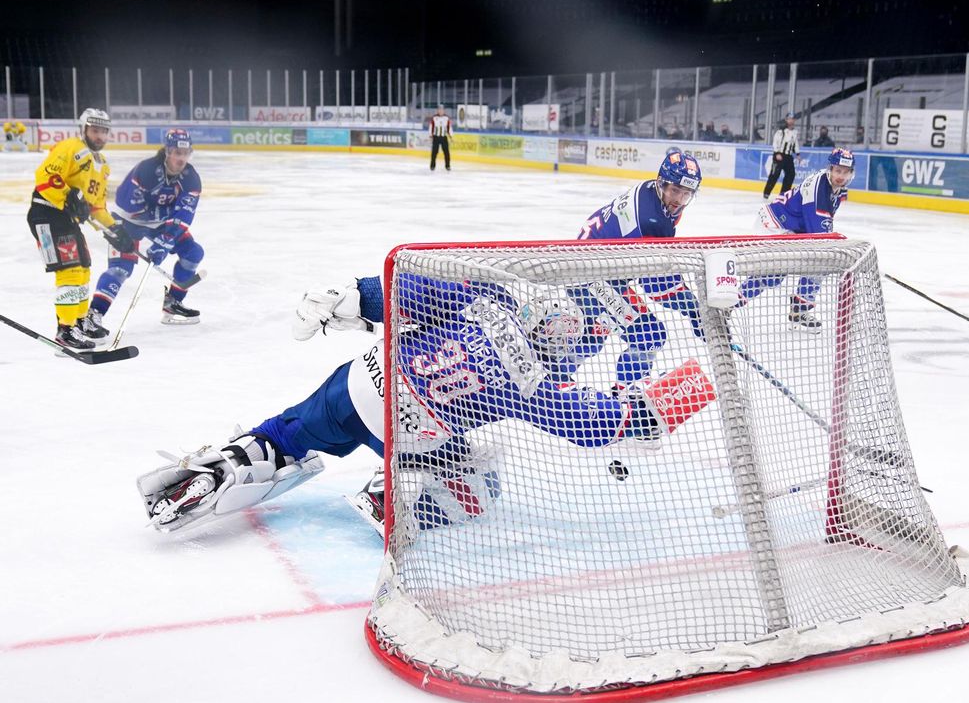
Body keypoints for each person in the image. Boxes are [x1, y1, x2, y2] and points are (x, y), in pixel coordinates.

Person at [136, 274, 715, 534]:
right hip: (406, 431)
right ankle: (396, 496)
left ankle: (236, 461)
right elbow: (586, 421)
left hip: (358, 383)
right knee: (483, 477)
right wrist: (643, 413)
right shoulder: (534, 382)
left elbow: (408, 287)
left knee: (289, 431)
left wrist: (346, 297)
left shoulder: (489, 294)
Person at [574, 147, 706, 390]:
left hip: (595, 272)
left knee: (593, 335)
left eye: (686, 193)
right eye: (675, 190)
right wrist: (695, 310)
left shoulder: (655, 195)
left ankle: (553, 376)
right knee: (649, 335)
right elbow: (656, 284)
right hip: (590, 277)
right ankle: (624, 399)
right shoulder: (651, 219)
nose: (678, 199)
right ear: (661, 183)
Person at [24, 108, 135, 349]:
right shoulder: (71, 147)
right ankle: (65, 330)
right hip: (47, 212)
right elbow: (44, 176)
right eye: (95, 130)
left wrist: (116, 229)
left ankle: (80, 321)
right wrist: (69, 194)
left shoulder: (102, 165)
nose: (99, 136)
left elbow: (95, 207)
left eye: (104, 131)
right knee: (71, 271)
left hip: (66, 219)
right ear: (83, 129)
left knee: (83, 268)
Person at [90, 128, 204, 327]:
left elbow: (185, 213)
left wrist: (166, 239)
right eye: (177, 153)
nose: (181, 159)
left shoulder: (191, 178)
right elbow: (128, 205)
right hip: (126, 223)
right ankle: (93, 315)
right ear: (167, 151)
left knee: (193, 253)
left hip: (158, 225)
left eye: (185, 154)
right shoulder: (147, 170)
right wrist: (163, 220)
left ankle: (173, 302)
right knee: (120, 270)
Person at [739, 147, 856, 332]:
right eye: (838, 170)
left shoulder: (837, 190)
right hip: (774, 223)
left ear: (851, 173)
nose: (841, 175)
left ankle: (799, 310)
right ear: (830, 169)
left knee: (816, 264)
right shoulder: (819, 188)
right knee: (776, 273)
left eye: (846, 172)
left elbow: (820, 230)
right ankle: (732, 302)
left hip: (791, 227)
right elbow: (818, 235)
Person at [763, 115, 800, 199]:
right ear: (786, 120)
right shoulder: (781, 131)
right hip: (779, 155)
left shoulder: (794, 132)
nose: (791, 121)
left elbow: (795, 143)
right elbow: (775, 142)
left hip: (788, 156)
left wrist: (798, 154)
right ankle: (766, 192)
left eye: (793, 119)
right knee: (775, 174)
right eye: (790, 119)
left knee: (791, 174)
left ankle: (784, 194)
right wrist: (777, 153)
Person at [430, 104, 452, 171]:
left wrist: (451, 136)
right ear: (437, 110)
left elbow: (449, 127)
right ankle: (432, 166)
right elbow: (431, 127)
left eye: (442, 109)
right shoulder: (434, 118)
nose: (440, 111)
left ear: (443, 110)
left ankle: (447, 166)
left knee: (446, 152)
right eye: (439, 109)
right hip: (436, 137)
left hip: (444, 137)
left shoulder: (446, 118)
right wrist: (430, 135)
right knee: (434, 152)